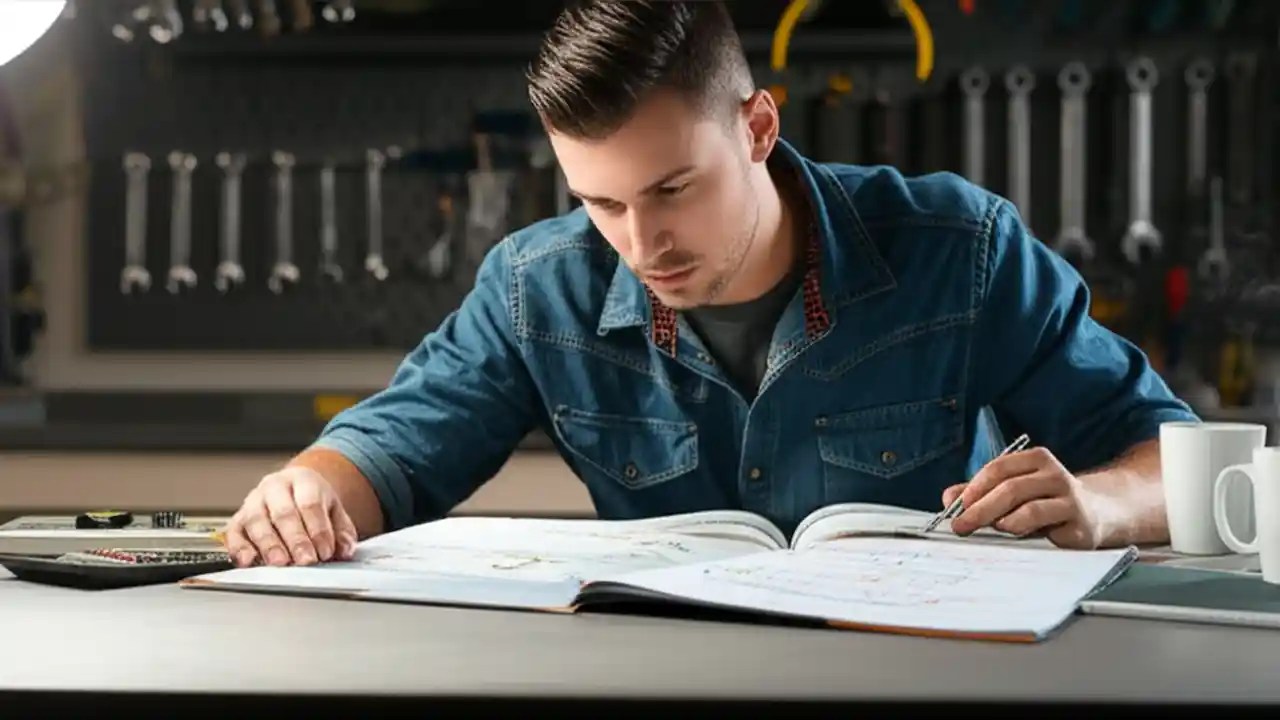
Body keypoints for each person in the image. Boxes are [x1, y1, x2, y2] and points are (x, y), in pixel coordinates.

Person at [220, 0, 1199, 569]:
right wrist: (306, 492)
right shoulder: (537, 286)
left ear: (757, 129)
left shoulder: (959, 247)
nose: (641, 242)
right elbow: (388, 450)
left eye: (672, 189)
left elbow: (1172, 457)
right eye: (600, 203)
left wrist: (1099, 507)